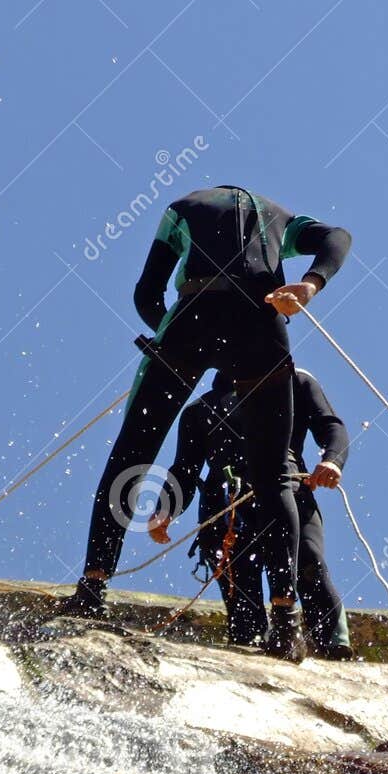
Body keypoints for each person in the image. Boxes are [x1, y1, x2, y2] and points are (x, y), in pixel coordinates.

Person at [55, 186, 350, 664]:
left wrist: (166, 332)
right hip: (262, 323)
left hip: (192, 319)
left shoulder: (181, 210)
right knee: (274, 474)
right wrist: (310, 283)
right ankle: (285, 620)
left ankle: (92, 590)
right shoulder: (281, 219)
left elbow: (146, 292)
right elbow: (337, 236)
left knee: (131, 457)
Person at [159, 367, 354, 660]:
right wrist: (165, 509)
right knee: (243, 601)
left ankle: (334, 649)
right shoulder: (200, 411)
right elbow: (184, 471)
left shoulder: (294, 381)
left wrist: (332, 461)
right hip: (226, 508)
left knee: (308, 562)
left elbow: (331, 427)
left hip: (288, 491)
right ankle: (252, 650)